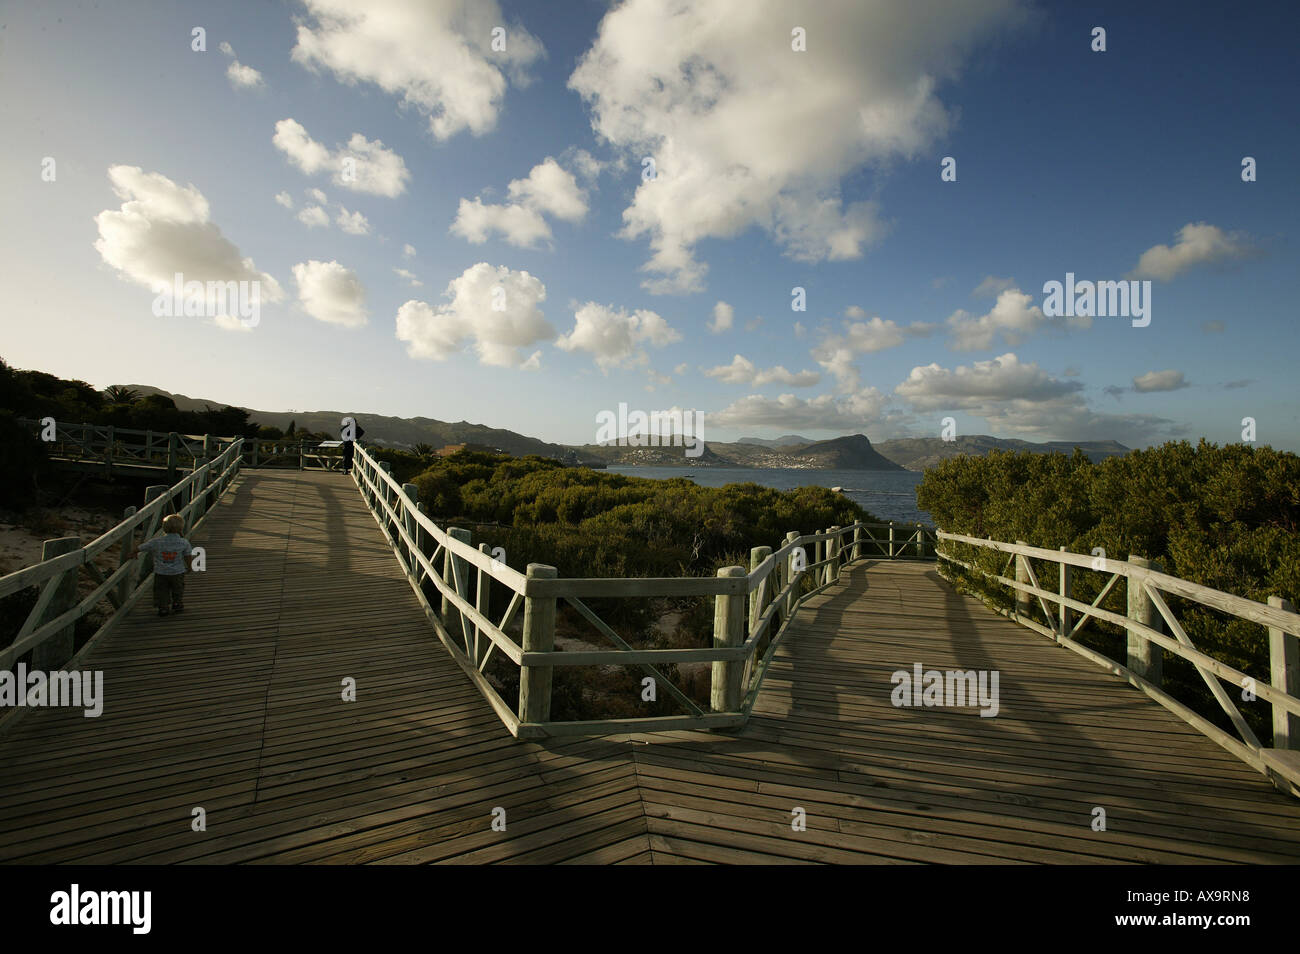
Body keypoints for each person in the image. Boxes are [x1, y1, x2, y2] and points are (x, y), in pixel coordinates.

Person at [130, 513, 194, 617]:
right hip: (177, 572)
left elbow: (142, 547)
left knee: (161, 590)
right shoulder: (184, 542)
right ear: (180, 529)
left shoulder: (156, 542)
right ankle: (177, 603)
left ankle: (163, 607)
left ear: (164, 528)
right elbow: (188, 556)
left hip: (161, 572)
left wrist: (134, 552)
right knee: (178, 588)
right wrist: (190, 567)